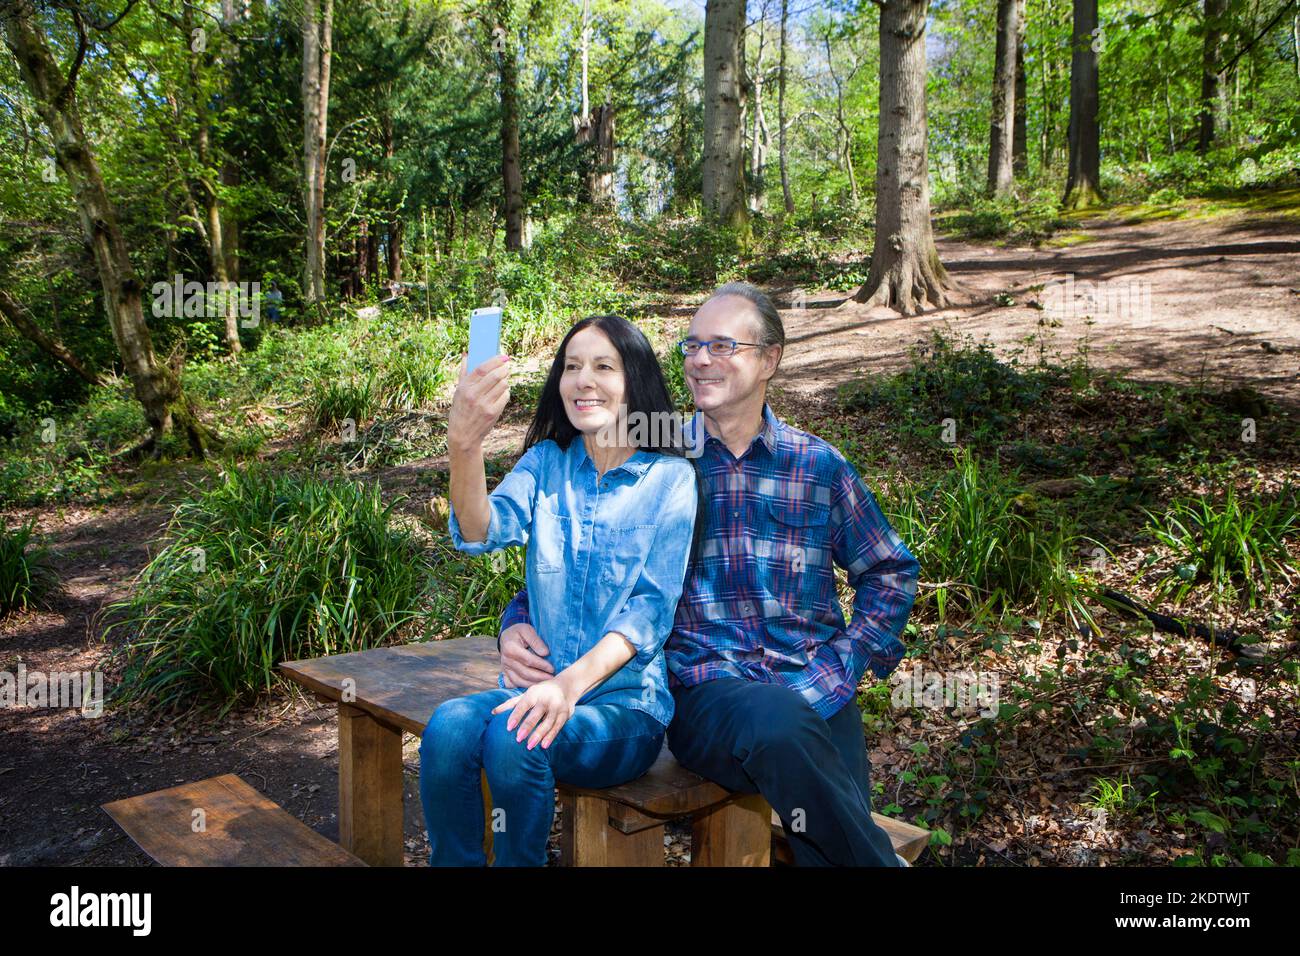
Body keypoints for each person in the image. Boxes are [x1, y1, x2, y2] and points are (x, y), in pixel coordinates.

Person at [497, 282, 920, 866]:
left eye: (721, 346)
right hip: (708, 695)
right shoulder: (654, 456)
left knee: (834, 841)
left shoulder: (816, 465)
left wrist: (849, 660)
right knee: (778, 727)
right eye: (692, 346)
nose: (699, 361)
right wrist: (516, 620)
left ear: (770, 358)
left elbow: (889, 569)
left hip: (818, 688)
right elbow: (579, 556)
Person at [419, 314, 698, 867]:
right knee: (448, 728)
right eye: (571, 366)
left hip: (622, 712)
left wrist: (566, 688)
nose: (582, 380)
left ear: (633, 381)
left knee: (514, 740)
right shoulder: (548, 462)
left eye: (602, 366)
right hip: (533, 694)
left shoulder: (670, 479)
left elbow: (649, 612)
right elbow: (479, 530)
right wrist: (464, 442)